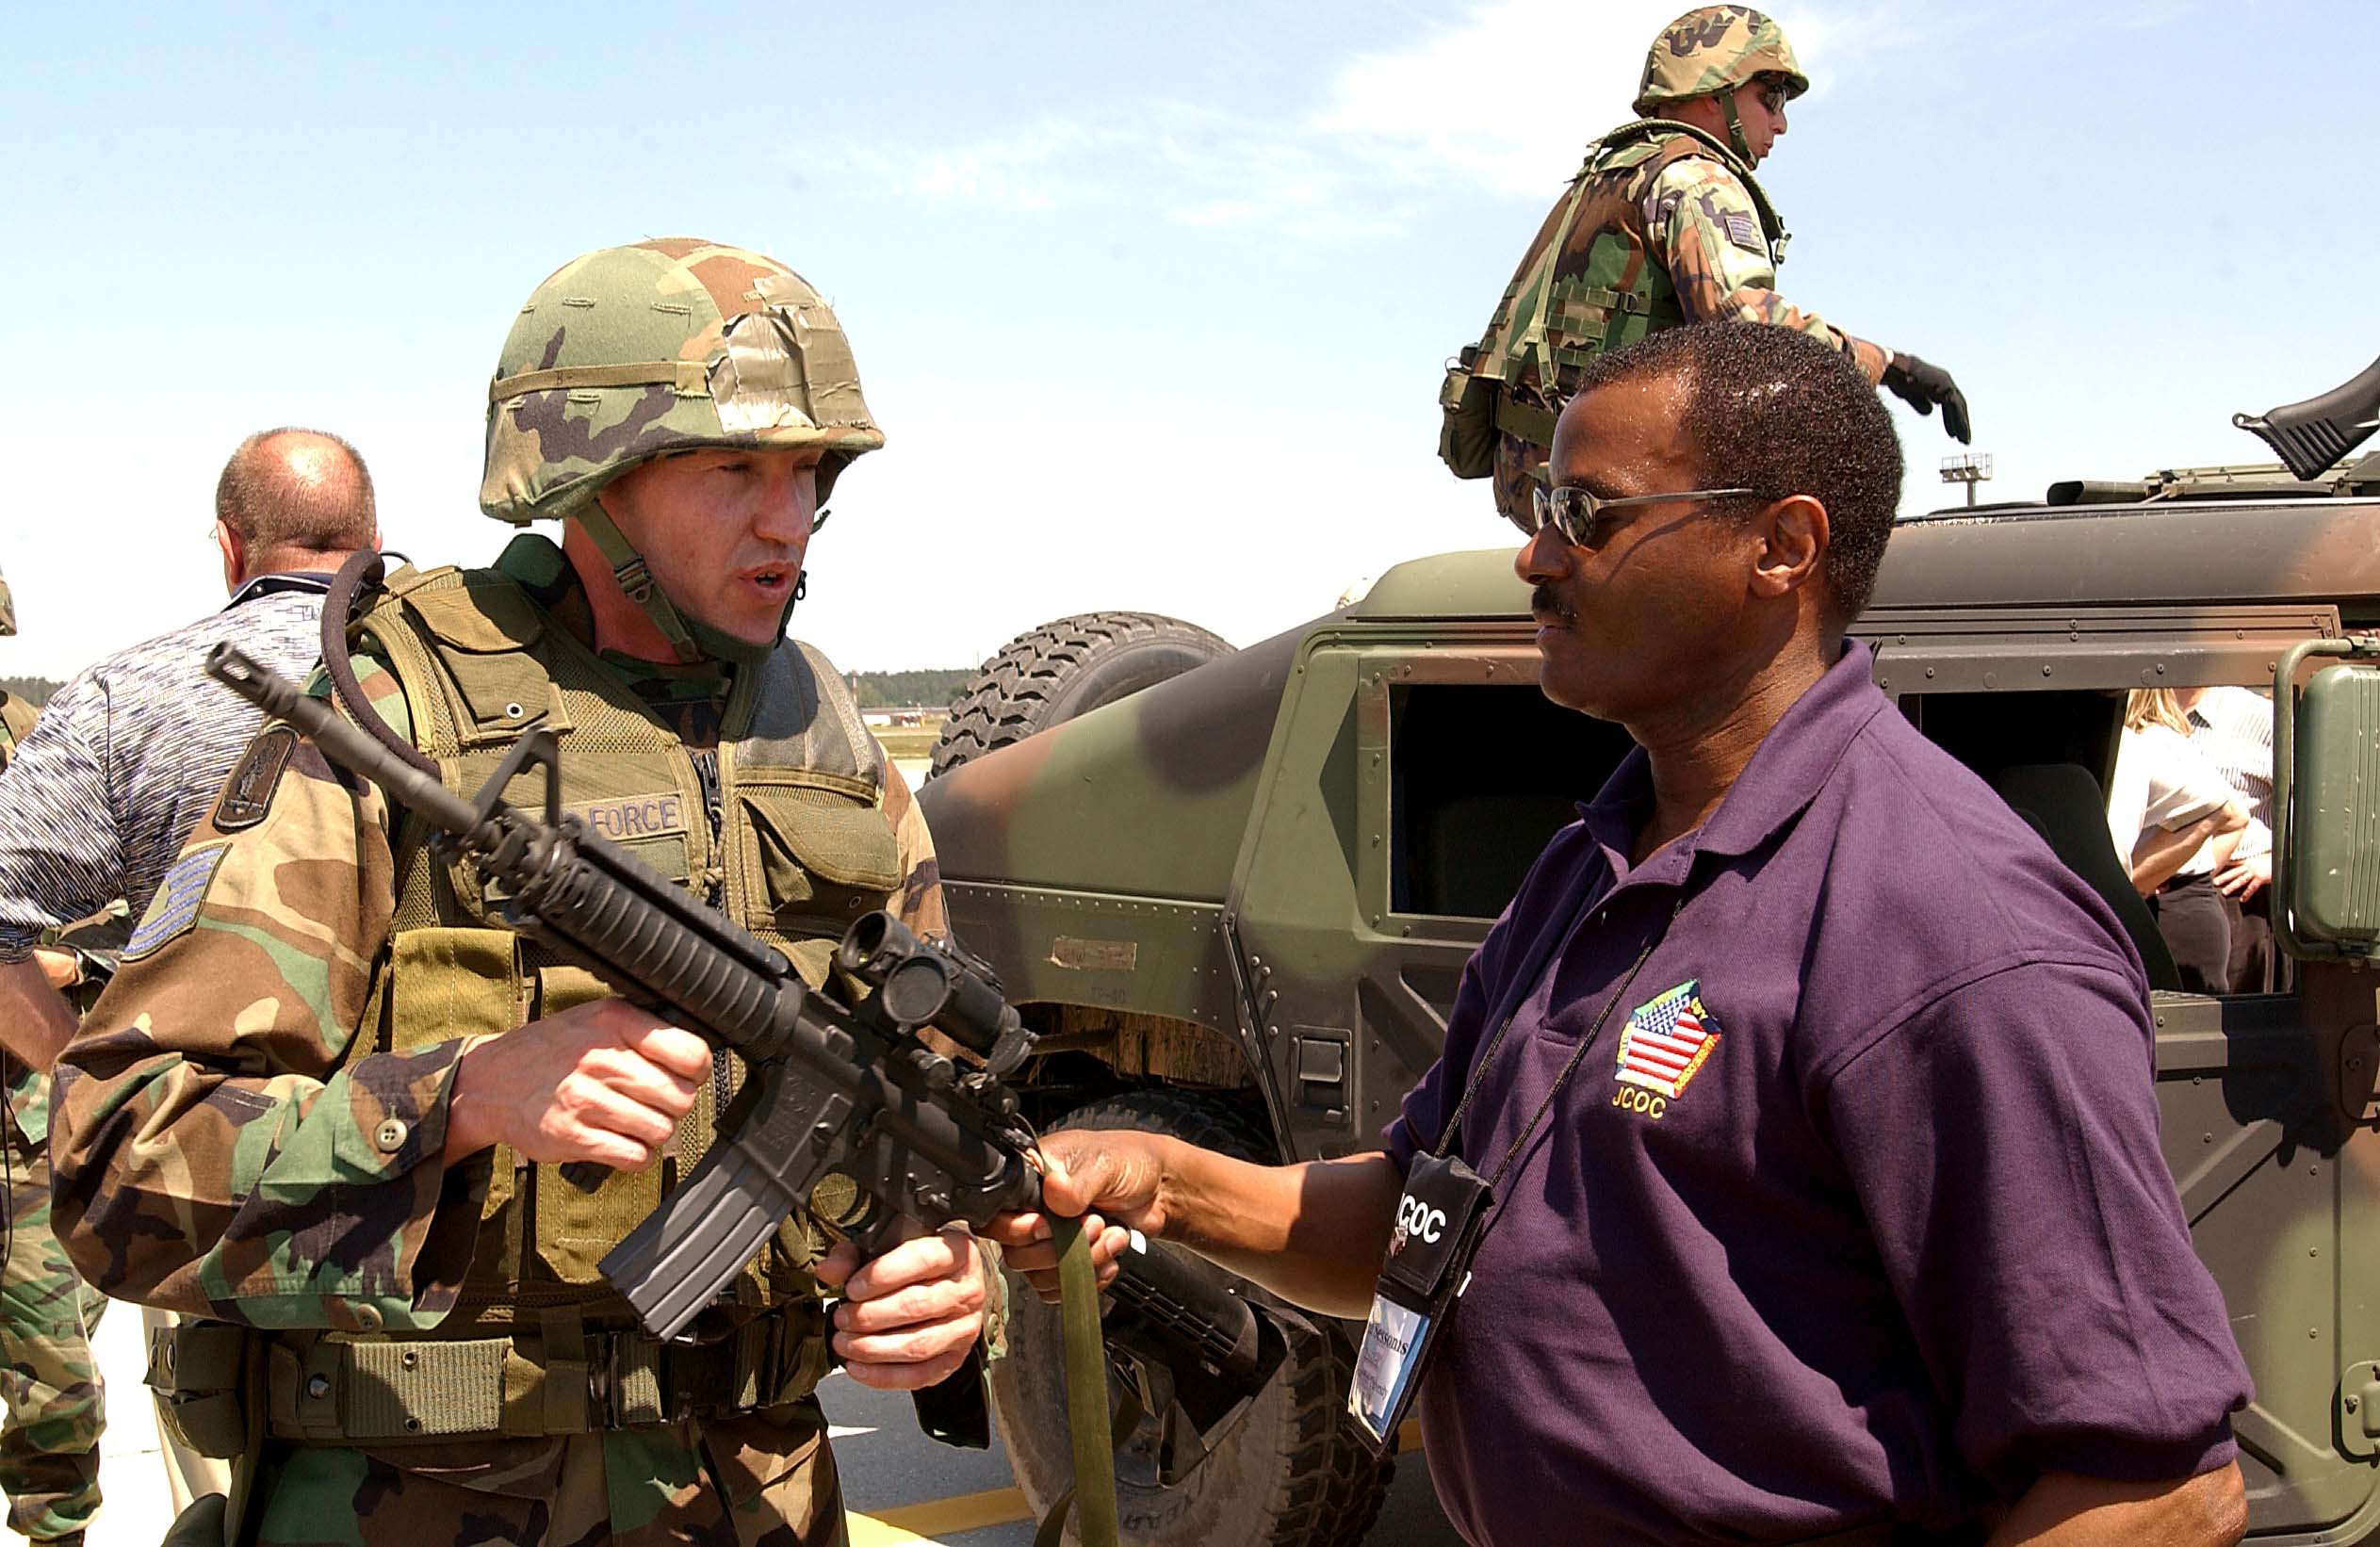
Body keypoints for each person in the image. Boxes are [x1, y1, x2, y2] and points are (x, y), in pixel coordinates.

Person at [1000, 322, 2251, 1545]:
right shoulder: (1595, 856)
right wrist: (1169, 1183)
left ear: (1780, 546)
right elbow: (1424, 1220)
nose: (1536, 558)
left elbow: (2151, 1493)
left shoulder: (1950, 929)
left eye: (1587, 515)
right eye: (1540, 511)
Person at [47, 239, 994, 1547]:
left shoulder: (827, 736)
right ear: (588, 479)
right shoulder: (393, 717)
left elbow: (938, 1104)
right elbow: (114, 1166)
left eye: (808, 473)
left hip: (769, 1503)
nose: (788, 519)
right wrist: (455, 1101)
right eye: (735, 469)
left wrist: (953, 1279)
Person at [0, 431, 380, 1544]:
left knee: (224, 1499)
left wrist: (85, 1072)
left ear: (229, 546)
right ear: (370, 541)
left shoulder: (140, 695)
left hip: (228, 1210)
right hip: (466, 1206)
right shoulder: (485, 684)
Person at [1438, 5, 1972, 530]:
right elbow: (1753, 338)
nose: (1781, 123)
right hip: (1614, 493)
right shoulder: (1694, 179)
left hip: (1539, 482)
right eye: (1772, 97)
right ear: (1714, 95)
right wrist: (1889, 364)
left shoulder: (1606, 177)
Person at [2106, 689, 2253, 994]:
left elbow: (2118, 845)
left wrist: (2140, 880)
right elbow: (2236, 817)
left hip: (2167, 920)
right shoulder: (2175, 740)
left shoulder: (2134, 745)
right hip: (2198, 908)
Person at [2186, 686, 2281, 990]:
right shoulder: (2138, 708)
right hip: (2162, 888)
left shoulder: (2256, 716)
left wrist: (2279, 862)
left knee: (2237, 1023)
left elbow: (2327, 800)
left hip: (2238, 894)